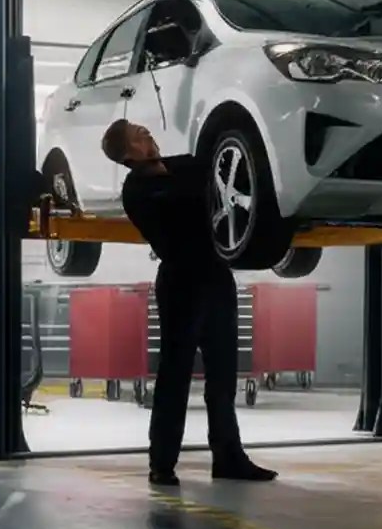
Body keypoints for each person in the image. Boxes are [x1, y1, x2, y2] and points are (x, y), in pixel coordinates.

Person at [101, 119, 277, 486]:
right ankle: (161, 464)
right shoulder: (137, 190)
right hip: (181, 282)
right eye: (137, 135)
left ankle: (229, 458)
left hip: (216, 277)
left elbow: (214, 166)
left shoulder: (180, 165)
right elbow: (190, 197)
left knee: (223, 375)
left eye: (143, 128)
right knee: (175, 376)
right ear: (126, 154)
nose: (146, 132)